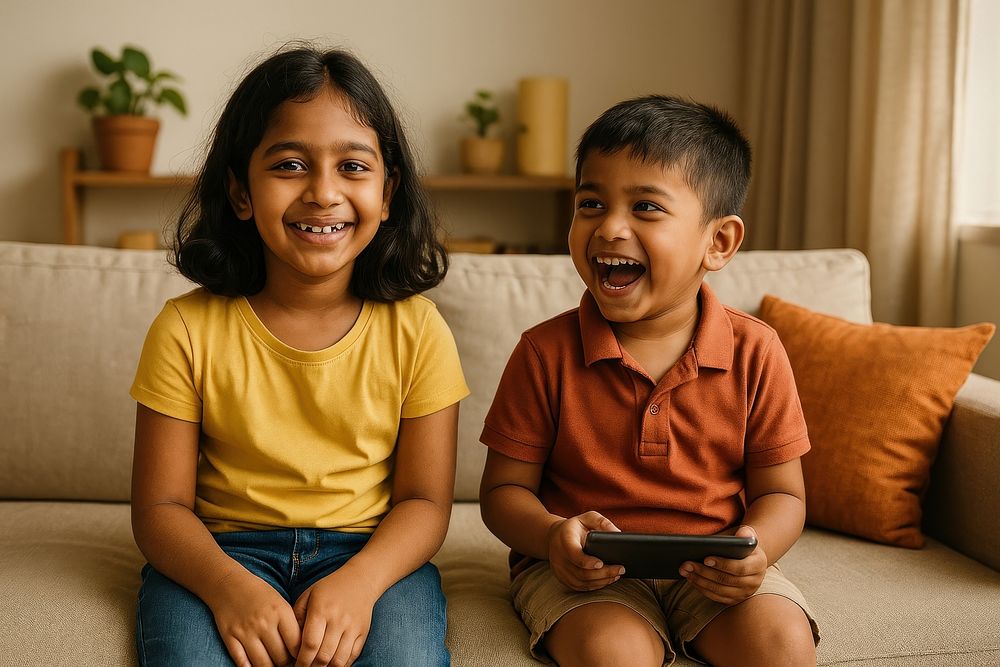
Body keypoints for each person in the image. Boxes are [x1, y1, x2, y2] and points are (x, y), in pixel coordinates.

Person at [130, 46, 468, 667]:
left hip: (368, 554)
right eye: (289, 164)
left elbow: (425, 503)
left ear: (387, 192)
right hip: (220, 552)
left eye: (353, 167)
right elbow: (159, 510)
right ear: (240, 192)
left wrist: (360, 584)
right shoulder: (184, 327)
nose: (323, 193)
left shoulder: (419, 330)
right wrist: (229, 587)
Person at [479, 95, 820, 666]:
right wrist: (549, 538)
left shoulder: (756, 350)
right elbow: (502, 493)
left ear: (719, 243)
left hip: (713, 570)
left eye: (645, 208)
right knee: (613, 654)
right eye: (591, 203)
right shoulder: (544, 352)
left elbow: (782, 494)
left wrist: (755, 549)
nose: (609, 228)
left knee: (783, 645)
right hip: (585, 572)